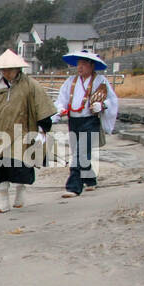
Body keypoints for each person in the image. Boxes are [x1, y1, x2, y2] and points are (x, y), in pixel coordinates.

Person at [0, 49, 56, 213]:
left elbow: (42, 106)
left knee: (20, 167)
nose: (6, 73)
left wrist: (42, 129)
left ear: (18, 69)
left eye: (10, 69)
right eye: (4, 70)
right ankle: (4, 201)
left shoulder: (30, 85)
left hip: (22, 132)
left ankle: (20, 192)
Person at [53, 49, 118, 197]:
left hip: (90, 120)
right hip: (74, 120)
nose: (80, 67)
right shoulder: (71, 81)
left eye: (83, 64)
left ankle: (73, 187)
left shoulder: (100, 81)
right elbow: (62, 99)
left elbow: (112, 100)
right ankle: (90, 179)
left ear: (91, 65)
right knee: (78, 151)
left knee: (80, 153)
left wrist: (102, 106)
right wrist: (61, 108)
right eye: (78, 64)